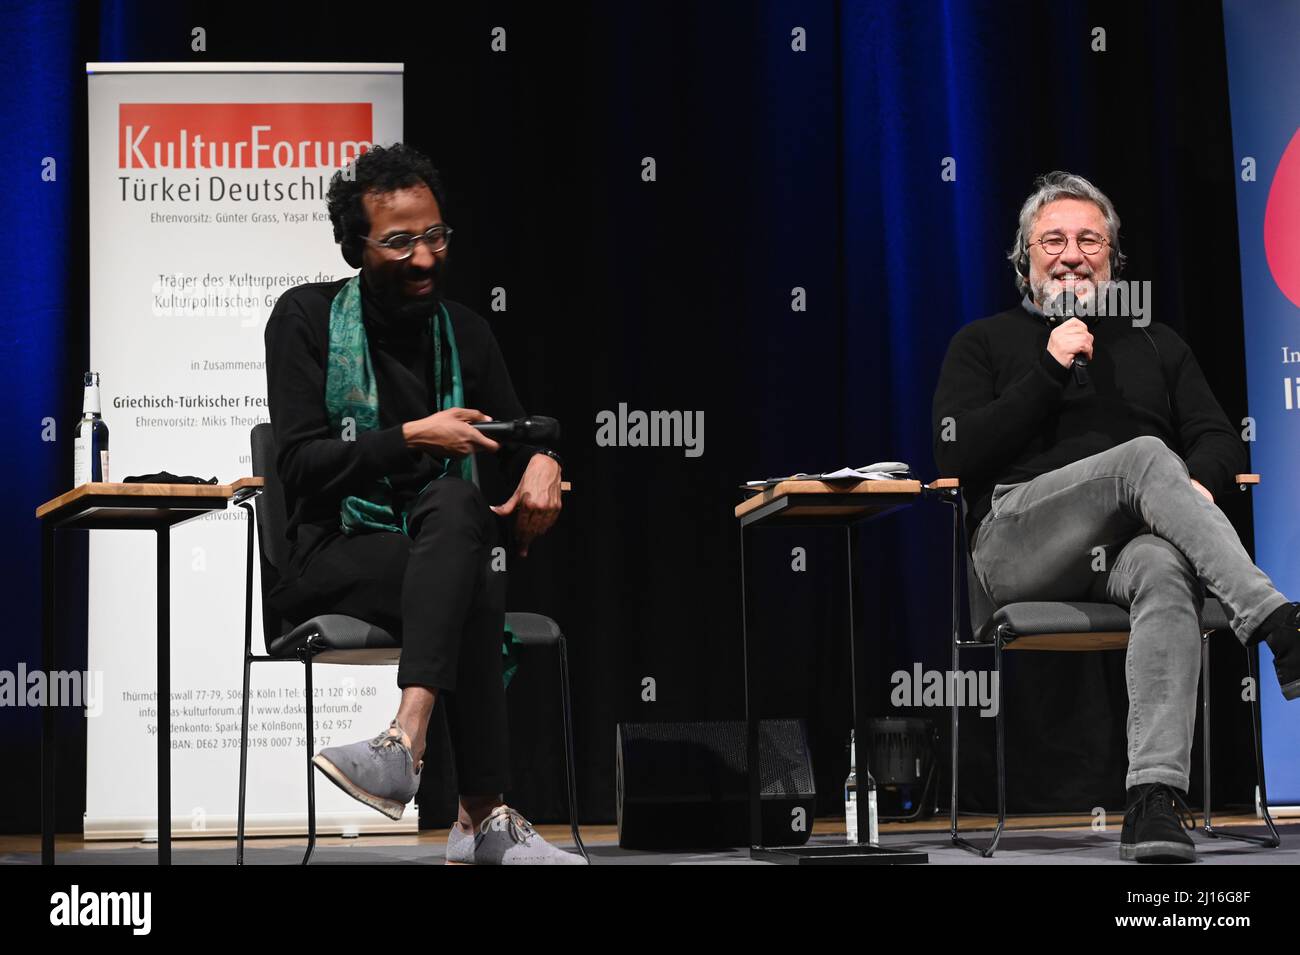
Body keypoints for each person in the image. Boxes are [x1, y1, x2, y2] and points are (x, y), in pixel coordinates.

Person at [931, 170, 1299, 863]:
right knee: (1144, 457)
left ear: (1113, 259)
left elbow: (1220, 438)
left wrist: (1194, 486)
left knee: (1164, 567)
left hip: (1124, 553)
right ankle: (1276, 621)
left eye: (1089, 241)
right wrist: (1048, 369)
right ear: (1024, 260)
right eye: (1053, 241)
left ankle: (1152, 801)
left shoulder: (1156, 343)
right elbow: (954, 450)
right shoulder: (984, 342)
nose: (1072, 255)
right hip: (1018, 545)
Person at [264, 143, 583, 864]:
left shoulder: (464, 331)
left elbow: (523, 435)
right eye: (400, 241)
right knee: (469, 564)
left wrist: (546, 463)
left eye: (435, 235)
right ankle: (482, 817)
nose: (425, 258)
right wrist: (411, 435)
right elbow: (301, 466)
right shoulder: (306, 318)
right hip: (332, 548)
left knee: (457, 509)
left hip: (436, 548)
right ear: (356, 246)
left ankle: (403, 741)